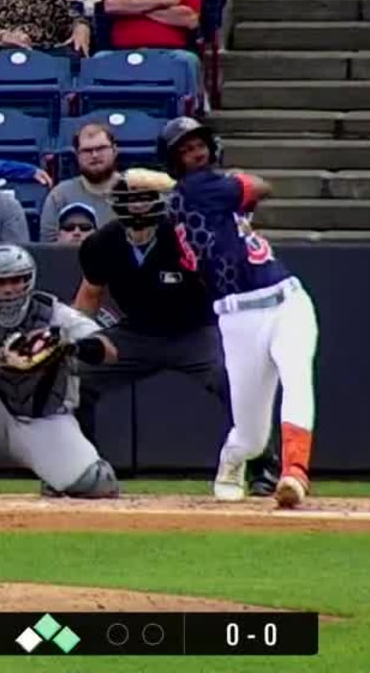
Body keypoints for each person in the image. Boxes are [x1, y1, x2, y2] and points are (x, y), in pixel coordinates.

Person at [72, 168, 281, 495]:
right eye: (133, 198)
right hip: (135, 334)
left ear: (159, 201)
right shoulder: (102, 242)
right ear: (118, 202)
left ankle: (263, 468)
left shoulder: (184, 235)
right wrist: (78, 340)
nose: (139, 206)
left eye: (145, 197)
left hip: (195, 331)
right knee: (75, 376)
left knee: (238, 379)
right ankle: (79, 469)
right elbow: (89, 295)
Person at [159, 116, 318, 509]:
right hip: (239, 316)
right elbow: (263, 186)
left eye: (198, 145)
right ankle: (231, 460)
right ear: (174, 162)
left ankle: (295, 472)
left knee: (296, 375)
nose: (196, 153)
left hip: (287, 298)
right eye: (185, 150)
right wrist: (235, 179)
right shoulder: (201, 187)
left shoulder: (200, 193)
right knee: (250, 436)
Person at [0, 244, 120, 499]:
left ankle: (56, 475)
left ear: (29, 280)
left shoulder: (55, 315)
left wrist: (69, 346)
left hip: (45, 419)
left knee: (98, 484)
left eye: (16, 280)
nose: (8, 289)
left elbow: (108, 350)